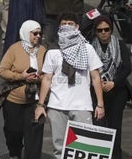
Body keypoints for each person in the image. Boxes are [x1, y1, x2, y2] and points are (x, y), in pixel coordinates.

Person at [36, 18, 104, 159]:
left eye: (70, 24)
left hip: (81, 105)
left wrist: (100, 104)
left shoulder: (87, 48)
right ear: (59, 27)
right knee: (59, 147)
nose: (67, 26)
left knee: (83, 147)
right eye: (63, 24)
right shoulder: (53, 51)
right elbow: (47, 79)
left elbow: (96, 77)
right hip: (57, 105)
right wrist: (41, 104)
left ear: (77, 27)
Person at [0, 19, 44, 159]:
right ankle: (15, 154)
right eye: (35, 33)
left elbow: (49, 74)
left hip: (34, 101)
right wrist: (21, 76)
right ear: (26, 33)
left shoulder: (43, 51)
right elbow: (2, 70)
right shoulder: (14, 49)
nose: (38, 36)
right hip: (14, 101)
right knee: (13, 132)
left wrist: (38, 78)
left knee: (34, 134)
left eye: (40, 33)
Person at [89, 14, 130, 159]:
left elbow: (127, 68)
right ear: (95, 31)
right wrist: (98, 82)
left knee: (115, 127)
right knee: (98, 126)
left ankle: (115, 156)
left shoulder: (119, 44)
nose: (103, 33)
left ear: (111, 29)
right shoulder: (90, 46)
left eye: (106, 29)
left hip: (117, 92)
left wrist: (113, 82)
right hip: (97, 92)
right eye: (100, 30)